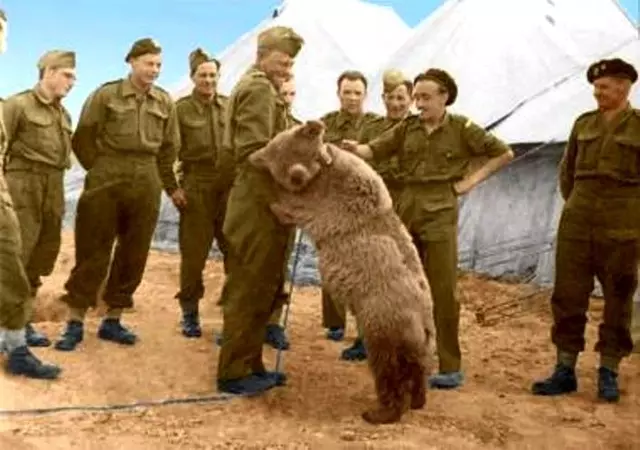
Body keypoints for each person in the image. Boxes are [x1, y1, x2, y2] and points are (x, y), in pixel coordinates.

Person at [341, 69, 514, 389]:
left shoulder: (462, 128)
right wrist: (354, 149)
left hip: (440, 209)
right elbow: (374, 150)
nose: (418, 104)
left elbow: (503, 152)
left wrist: (470, 182)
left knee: (443, 291)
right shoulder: (408, 128)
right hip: (407, 206)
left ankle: (449, 364)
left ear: (444, 96)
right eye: (416, 97)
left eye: (425, 97)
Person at [54, 38, 180, 352]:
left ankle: (114, 318)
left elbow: (169, 147)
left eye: (158, 65)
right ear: (132, 62)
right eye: (149, 63)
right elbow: (83, 138)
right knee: (93, 248)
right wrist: (100, 170)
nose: (154, 70)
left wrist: (160, 179)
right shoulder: (106, 94)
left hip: (146, 177)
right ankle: (75, 321)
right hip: (108, 174)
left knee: (134, 251)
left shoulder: (164, 102)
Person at [531, 58, 640, 402]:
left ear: (624, 87)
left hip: (623, 225)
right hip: (578, 223)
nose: (597, 93)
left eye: (604, 87)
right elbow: (567, 173)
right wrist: (578, 205)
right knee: (567, 295)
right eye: (595, 87)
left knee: (618, 299)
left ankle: (608, 369)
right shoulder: (583, 124)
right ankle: (565, 369)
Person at [215, 26, 304, 396]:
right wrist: (275, 202)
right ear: (264, 53)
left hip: (262, 202)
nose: (287, 66)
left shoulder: (263, 88)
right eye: (283, 58)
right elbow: (254, 152)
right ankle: (233, 372)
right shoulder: (257, 90)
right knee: (249, 288)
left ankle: (251, 364)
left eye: (292, 61)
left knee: (264, 287)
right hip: (257, 203)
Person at [0, 7, 62, 379]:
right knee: (11, 270)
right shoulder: (17, 105)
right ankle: (16, 347)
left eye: (2, 31)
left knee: (15, 271)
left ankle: (14, 344)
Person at [2, 50, 76, 348]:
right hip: (22, 185)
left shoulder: (63, 114)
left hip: (53, 186)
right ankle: (5, 326)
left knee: (39, 258)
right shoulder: (17, 105)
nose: (73, 81)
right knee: (14, 257)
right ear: (49, 72)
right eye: (68, 75)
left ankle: (24, 322)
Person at [340, 68, 413, 361]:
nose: (395, 104)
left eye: (401, 98)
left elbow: (408, 168)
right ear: (382, 98)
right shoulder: (370, 129)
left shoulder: (416, 130)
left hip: (403, 207)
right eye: (391, 97)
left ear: (410, 100)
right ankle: (365, 336)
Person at [172, 48, 229, 338]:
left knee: (236, 254)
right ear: (193, 77)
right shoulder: (180, 110)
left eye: (212, 75)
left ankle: (233, 315)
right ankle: (190, 314)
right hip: (196, 186)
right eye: (202, 75)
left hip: (228, 189)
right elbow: (166, 150)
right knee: (194, 256)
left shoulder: (229, 106)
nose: (208, 80)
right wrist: (173, 187)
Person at [319, 70, 380, 342]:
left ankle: (363, 325)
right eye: (347, 92)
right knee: (332, 262)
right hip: (331, 202)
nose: (352, 98)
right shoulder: (325, 124)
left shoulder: (375, 124)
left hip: (360, 204)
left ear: (365, 95)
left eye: (357, 92)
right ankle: (334, 322)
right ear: (338, 93)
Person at [263, 76, 301, 351]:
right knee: (249, 266)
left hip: (286, 209)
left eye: (291, 94)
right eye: (282, 94)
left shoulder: (300, 132)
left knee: (279, 267)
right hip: (259, 206)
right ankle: (244, 324)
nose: (287, 99)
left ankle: (273, 323)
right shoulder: (260, 128)